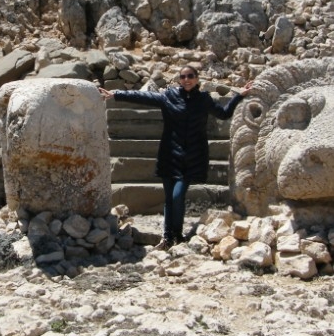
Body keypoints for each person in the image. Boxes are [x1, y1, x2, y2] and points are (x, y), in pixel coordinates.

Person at [99, 65, 252, 250]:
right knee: (169, 198)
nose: (186, 79)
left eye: (190, 76)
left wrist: (239, 96)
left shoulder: (203, 100)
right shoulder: (169, 96)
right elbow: (144, 97)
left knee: (177, 196)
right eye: (183, 76)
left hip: (192, 156)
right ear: (179, 79)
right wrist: (116, 94)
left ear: (197, 79)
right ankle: (168, 237)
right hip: (170, 154)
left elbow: (224, 113)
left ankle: (177, 235)